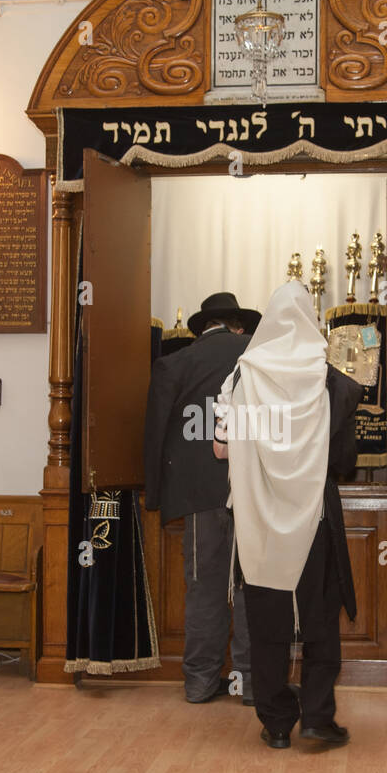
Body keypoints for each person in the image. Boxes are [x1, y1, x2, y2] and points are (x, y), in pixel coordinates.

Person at [214, 282, 363, 748]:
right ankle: (318, 717)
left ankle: (277, 722)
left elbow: (220, 447)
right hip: (315, 518)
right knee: (320, 617)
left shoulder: (243, 375)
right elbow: (344, 462)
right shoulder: (332, 381)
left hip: (259, 519)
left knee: (268, 622)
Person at [143, 292, 260, 704]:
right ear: (238, 324)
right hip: (254, 490)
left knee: (205, 587)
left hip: (197, 496)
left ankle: (200, 681)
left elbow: (155, 434)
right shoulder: (257, 355)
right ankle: (250, 682)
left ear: (201, 329)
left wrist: (156, 497)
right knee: (254, 587)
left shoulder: (174, 363)